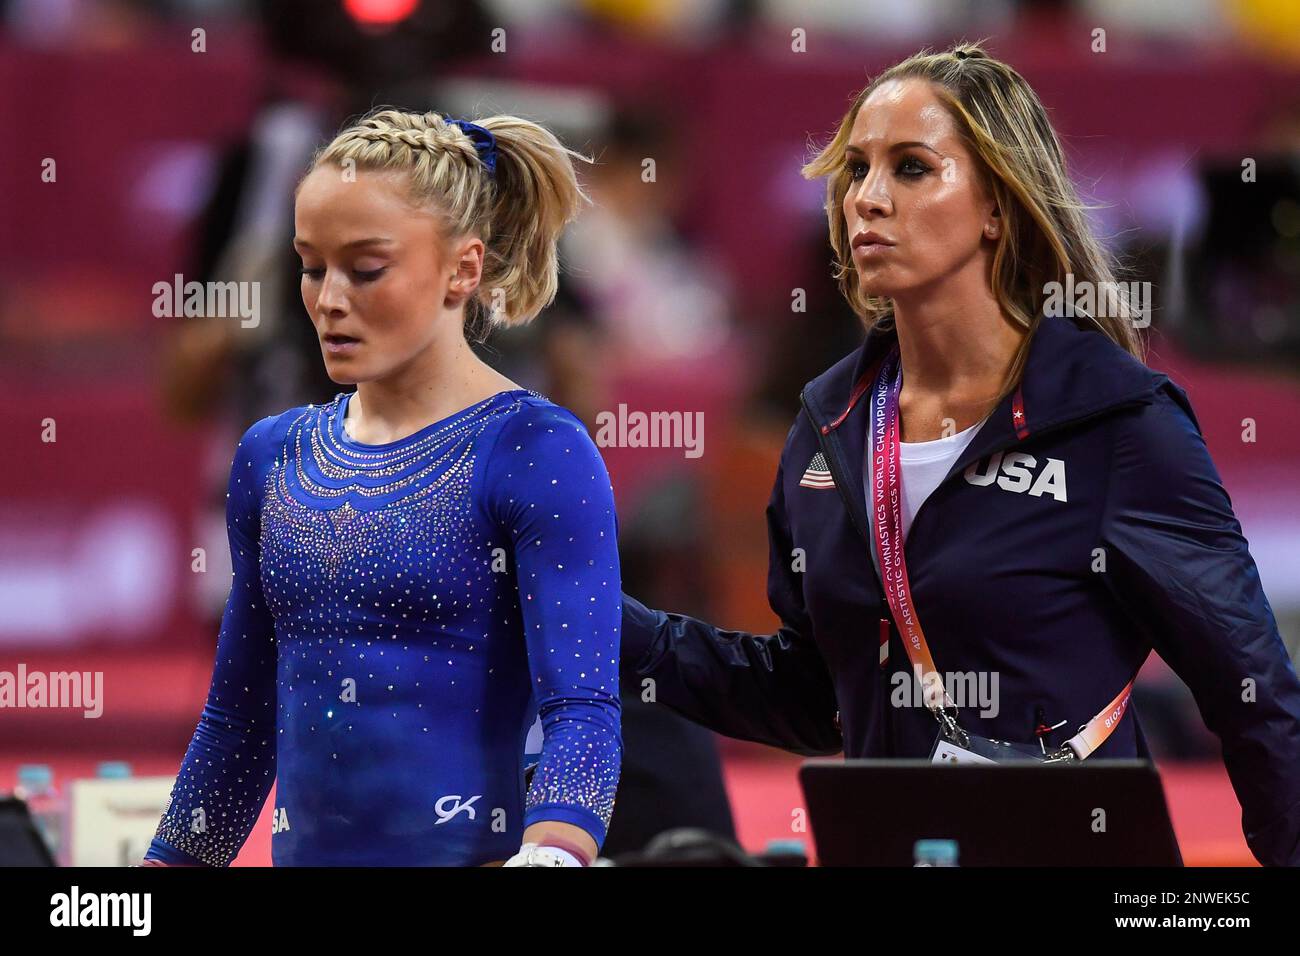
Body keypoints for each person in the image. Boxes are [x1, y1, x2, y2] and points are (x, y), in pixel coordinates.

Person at [621, 44, 1300, 866]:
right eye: (856, 171)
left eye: (911, 168)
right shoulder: (829, 423)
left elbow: (1254, 694)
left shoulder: (1116, 422)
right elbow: (812, 696)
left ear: (997, 207)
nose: (867, 199)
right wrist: (605, 620)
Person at [142, 108, 622, 867]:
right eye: (309, 266)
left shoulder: (535, 449)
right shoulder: (273, 457)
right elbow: (237, 725)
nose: (329, 299)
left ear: (463, 270)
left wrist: (554, 854)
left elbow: (584, 710)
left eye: (366, 269)